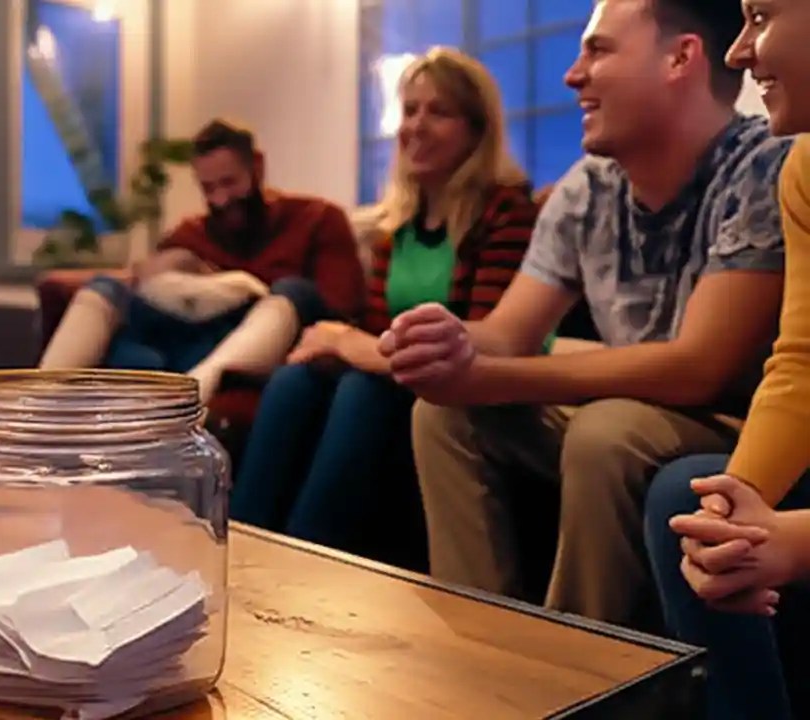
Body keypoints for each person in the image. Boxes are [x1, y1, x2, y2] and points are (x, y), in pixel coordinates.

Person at [377, 0, 792, 630]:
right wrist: (448, 339)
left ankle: (577, 676)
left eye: (598, 51)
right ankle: (476, 647)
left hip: (734, 420)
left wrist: (487, 374)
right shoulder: (587, 187)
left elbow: (699, 369)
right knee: (444, 412)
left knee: (608, 434)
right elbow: (508, 333)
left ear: (680, 58)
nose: (573, 76)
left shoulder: (763, 165)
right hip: (630, 406)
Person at [228, 48, 537, 560]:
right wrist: (340, 345)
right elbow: (376, 329)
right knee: (296, 380)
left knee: (361, 391)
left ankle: (305, 564)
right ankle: (238, 549)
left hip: (467, 397)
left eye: (437, 112)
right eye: (410, 110)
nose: (415, 126)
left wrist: (345, 341)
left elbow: (480, 349)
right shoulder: (398, 227)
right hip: (401, 380)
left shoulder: (506, 214)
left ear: (476, 131)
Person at [644, 1, 810, 716]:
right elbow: (801, 361)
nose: (739, 52)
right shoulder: (804, 169)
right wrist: (736, 520)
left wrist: (795, 543)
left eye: (761, 15)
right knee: (693, 501)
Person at [38, 119, 365, 402]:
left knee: (292, 290)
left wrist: (251, 290)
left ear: (258, 167)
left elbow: (339, 309)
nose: (220, 199)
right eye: (208, 189)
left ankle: (197, 389)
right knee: (110, 294)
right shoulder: (191, 234)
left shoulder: (317, 219)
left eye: (229, 183)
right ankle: (32, 402)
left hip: (259, 344)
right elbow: (147, 285)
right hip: (182, 341)